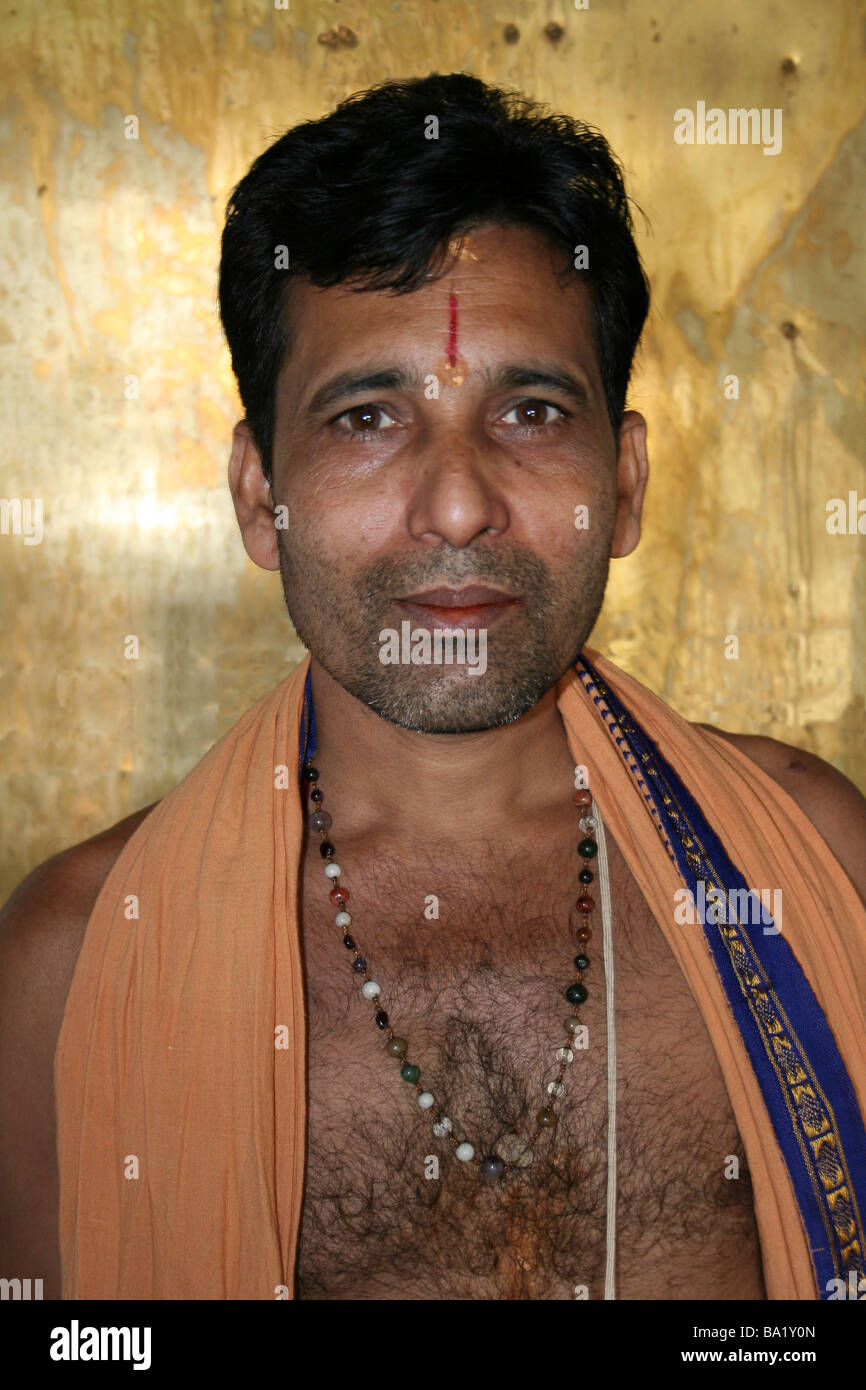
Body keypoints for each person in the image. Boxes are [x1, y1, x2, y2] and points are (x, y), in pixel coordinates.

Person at [1, 72, 864, 1302]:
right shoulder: (75, 962)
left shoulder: (817, 867)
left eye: (526, 408)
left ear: (620, 486)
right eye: (366, 415)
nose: (457, 503)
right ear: (260, 497)